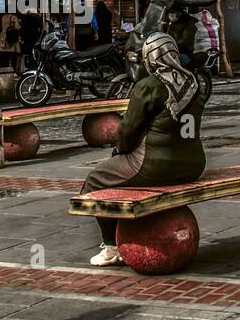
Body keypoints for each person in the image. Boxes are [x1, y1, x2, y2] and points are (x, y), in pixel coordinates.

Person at [82, 32, 206, 268]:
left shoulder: (148, 86)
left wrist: (120, 151)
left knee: (96, 179)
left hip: (154, 164)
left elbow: (127, 130)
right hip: (194, 164)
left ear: (151, 58)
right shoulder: (194, 84)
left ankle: (110, 246)